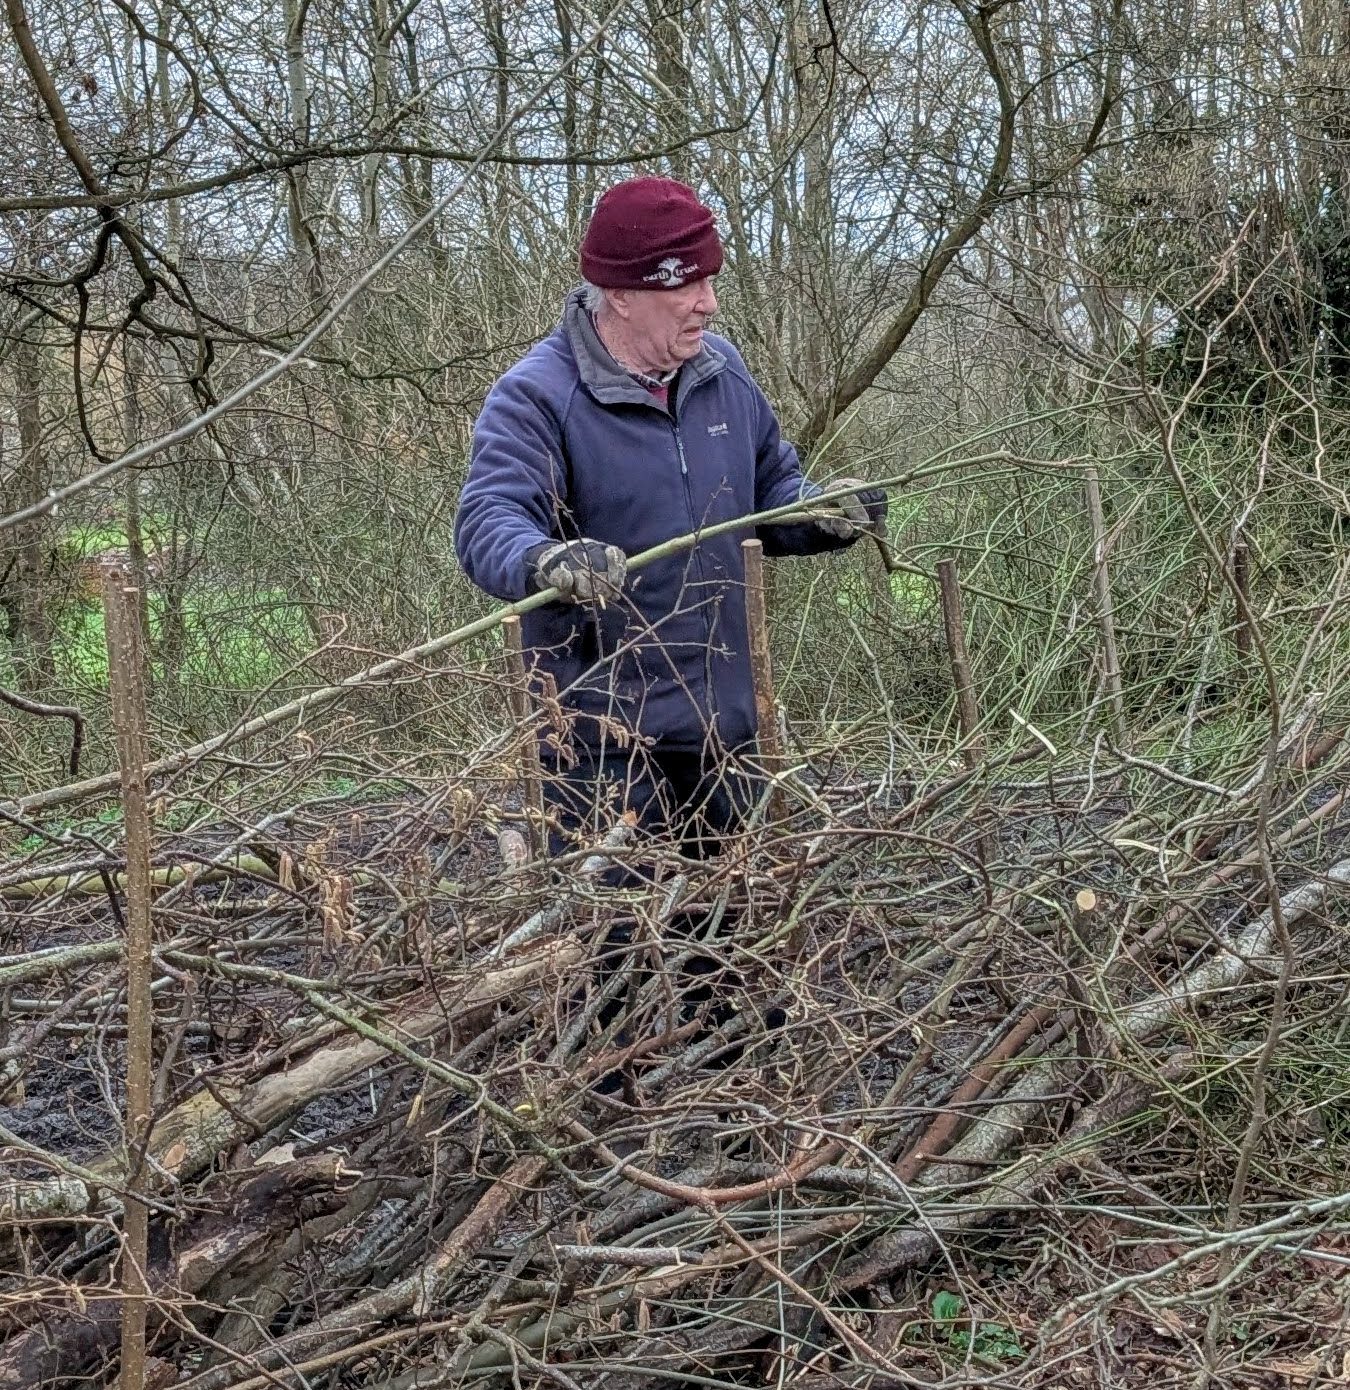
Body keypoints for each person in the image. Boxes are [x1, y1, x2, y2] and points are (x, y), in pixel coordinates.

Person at [454, 175, 887, 862]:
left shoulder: (723, 373)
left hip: (728, 732)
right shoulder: (538, 396)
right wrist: (547, 560)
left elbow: (769, 490)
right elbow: (489, 517)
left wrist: (822, 511)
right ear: (621, 295)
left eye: (710, 281)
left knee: (731, 948)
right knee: (619, 953)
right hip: (603, 749)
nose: (708, 304)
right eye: (685, 285)